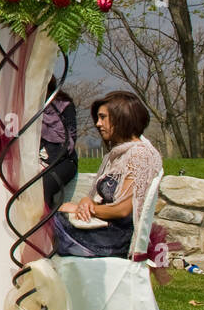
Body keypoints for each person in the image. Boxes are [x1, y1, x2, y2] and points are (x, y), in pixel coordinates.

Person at [53, 91, 162, 259]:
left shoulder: (140, 155)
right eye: (98, 118)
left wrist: (78, 209)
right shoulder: (117, 155)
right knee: (44, 220)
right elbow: (91, 197)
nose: (98, 123)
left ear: (122, 117)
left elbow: (123, 210)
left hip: (114, 239)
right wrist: (84, 202)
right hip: (102, 228)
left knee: (43, 225)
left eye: (103, 117)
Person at [41, 77, 79, 209]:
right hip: (35, 159)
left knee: (43, 186)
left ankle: (46, 226)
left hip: (63, 159)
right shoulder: (27, 107)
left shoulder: (64, 105)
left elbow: (69, 139)